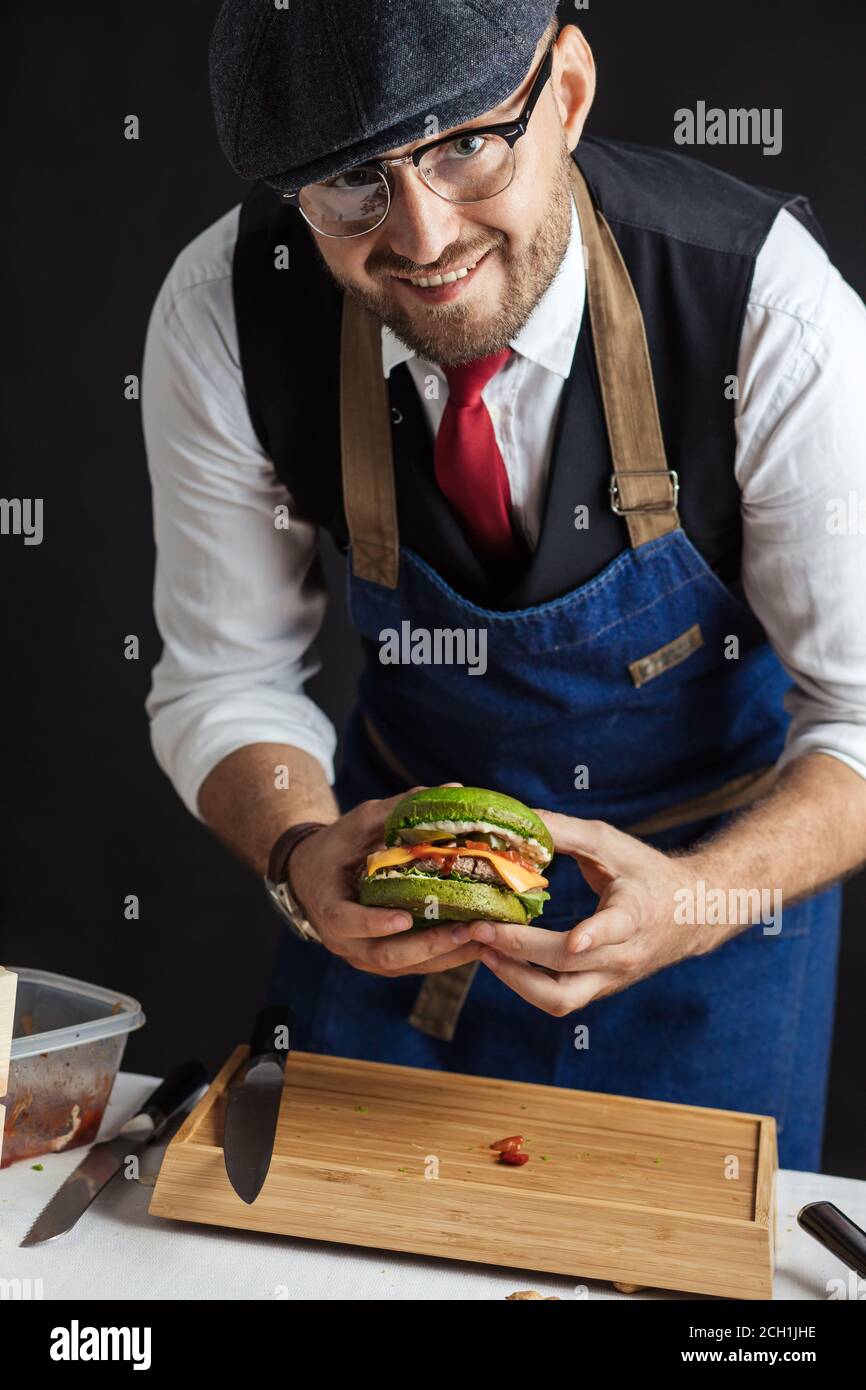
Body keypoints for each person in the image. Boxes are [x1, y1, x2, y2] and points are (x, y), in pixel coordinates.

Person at [142, 2, 866, 1169]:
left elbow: (862, 716)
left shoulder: (768, 315)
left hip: (716, 934)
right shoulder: (223, 312)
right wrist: (297, 855)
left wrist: (692, 901)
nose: (421, 236)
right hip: (389, 929)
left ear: (565, 93)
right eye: (346, 187)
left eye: (463, 145)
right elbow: (226, 677)